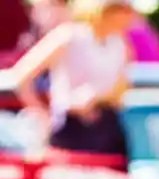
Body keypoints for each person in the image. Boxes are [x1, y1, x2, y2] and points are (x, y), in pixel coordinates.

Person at [10, 0, 137, 166]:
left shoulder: (121, 44)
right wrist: (41, 112)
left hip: (107, 125)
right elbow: (22, 75)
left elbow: (121, 88)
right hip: (69, 128)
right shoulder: (69, 36)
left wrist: (98, 98)